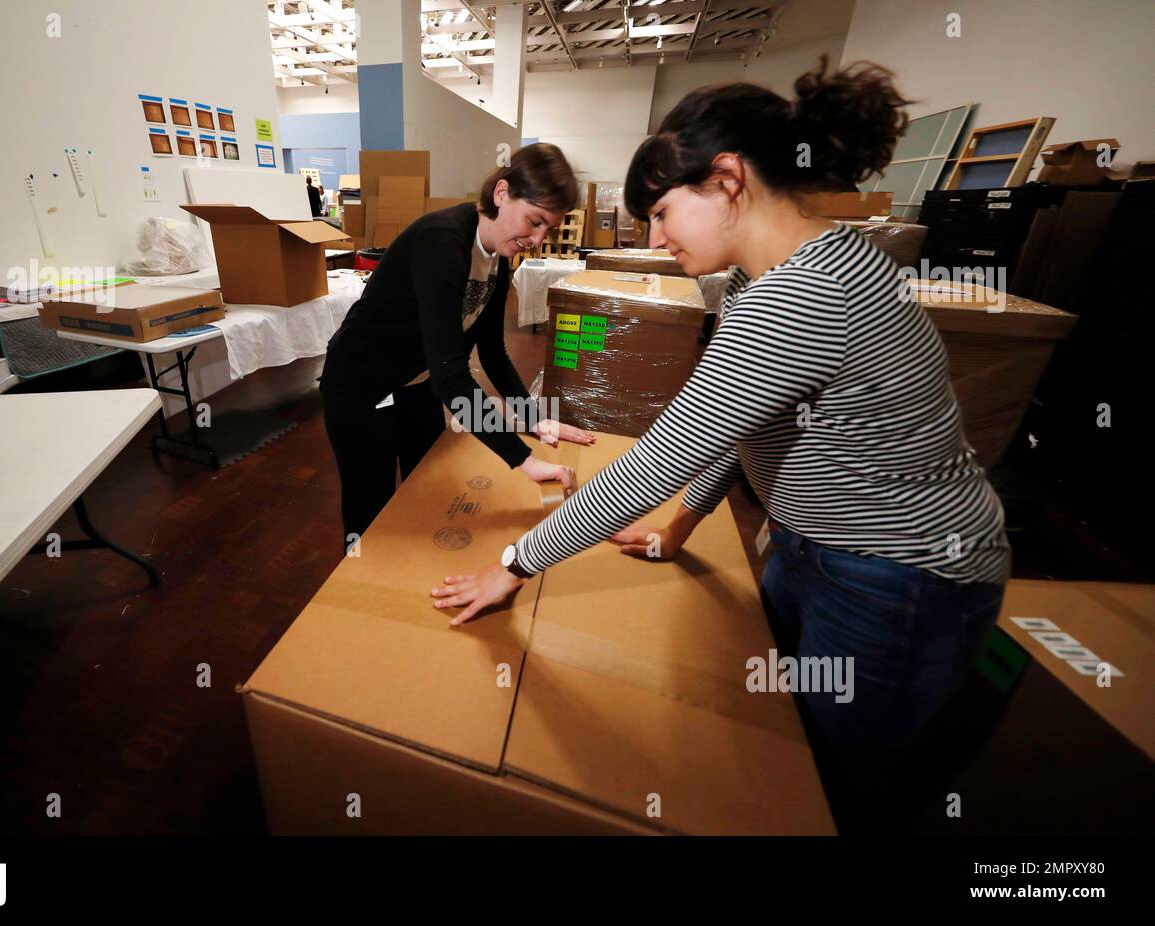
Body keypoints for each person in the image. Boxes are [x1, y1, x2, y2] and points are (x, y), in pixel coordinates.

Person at [429, 58, 1011, 831]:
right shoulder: (784, 273)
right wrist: (680, 527)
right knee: (769, 736)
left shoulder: (800, 294)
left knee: (823, 787)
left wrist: (513, 565)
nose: (656, 236)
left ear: (729, 180)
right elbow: (743, 429)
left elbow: (661, 460)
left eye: (664, 212)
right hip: (815, 547)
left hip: (901, 575)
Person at [320, 143, 594, 551]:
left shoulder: (498, 257)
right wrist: (525, 460)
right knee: (371, 511)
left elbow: (493, 353)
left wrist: (536, 421)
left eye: (548, 229)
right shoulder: (442, 242)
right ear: (501, 194)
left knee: (424, 494)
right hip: (362, 388)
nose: (537, 239)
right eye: (534, 221)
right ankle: (356, 592)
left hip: (416, 385)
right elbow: (452, 379)